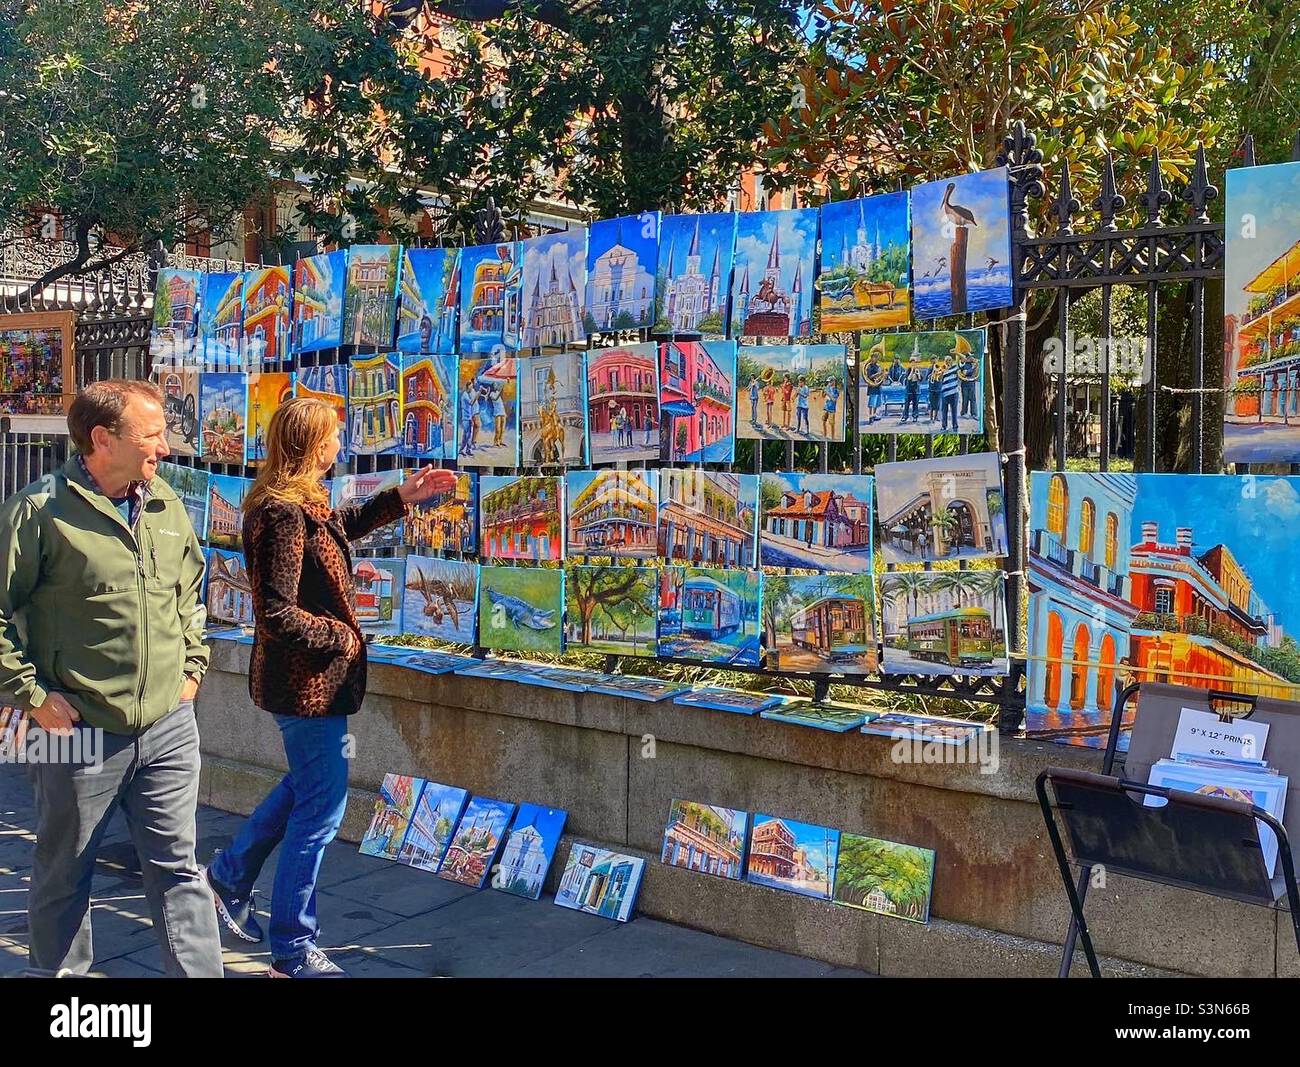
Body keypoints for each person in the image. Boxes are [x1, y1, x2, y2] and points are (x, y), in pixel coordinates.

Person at [202, 398, 456, 978]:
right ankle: (292, 951)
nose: (341, 445)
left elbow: (335, 532)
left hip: (315, 688)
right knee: (320, 811)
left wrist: (400, 498)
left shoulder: (300, 506)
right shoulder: (282, 513)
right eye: (335, 437)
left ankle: (227, 877)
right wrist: (340, 639)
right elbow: (273, 612)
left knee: (306, 788)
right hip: (306, 688)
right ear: (313, 444)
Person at [0, 379, 222, 977]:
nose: (166, 448)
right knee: (64, 869)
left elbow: (191, 594)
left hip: (169, 724)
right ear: (102, 440)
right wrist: (33, 697)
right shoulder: (38, 511)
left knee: (180, 870)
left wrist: (191, 674)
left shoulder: (165, 501)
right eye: (151, 436)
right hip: (75, 729)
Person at [939, 359, 961, 433]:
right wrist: (942, 372)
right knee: (944, 411)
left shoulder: (955, 368)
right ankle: (944, 426)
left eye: (949, 360)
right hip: (945, 393)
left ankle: (955, 426)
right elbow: (939, 379)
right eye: (946, 361)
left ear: (951, 361)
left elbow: (961, 366)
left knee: (954, 411)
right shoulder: (943, 369)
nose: (948, 362)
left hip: (954, 392)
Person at [903, 357, 922, 423]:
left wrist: (918, 374)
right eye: (912, 362)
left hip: (915, 388)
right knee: (907, 404)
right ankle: (905, 417)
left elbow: (920, 379)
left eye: (914, 363)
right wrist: (912, 370)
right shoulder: (908, 370)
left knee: (915, 403)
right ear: (910, 363)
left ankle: (915, 416)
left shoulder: (918, 370)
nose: (913, 364)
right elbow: (908, 378)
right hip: (909, 389)